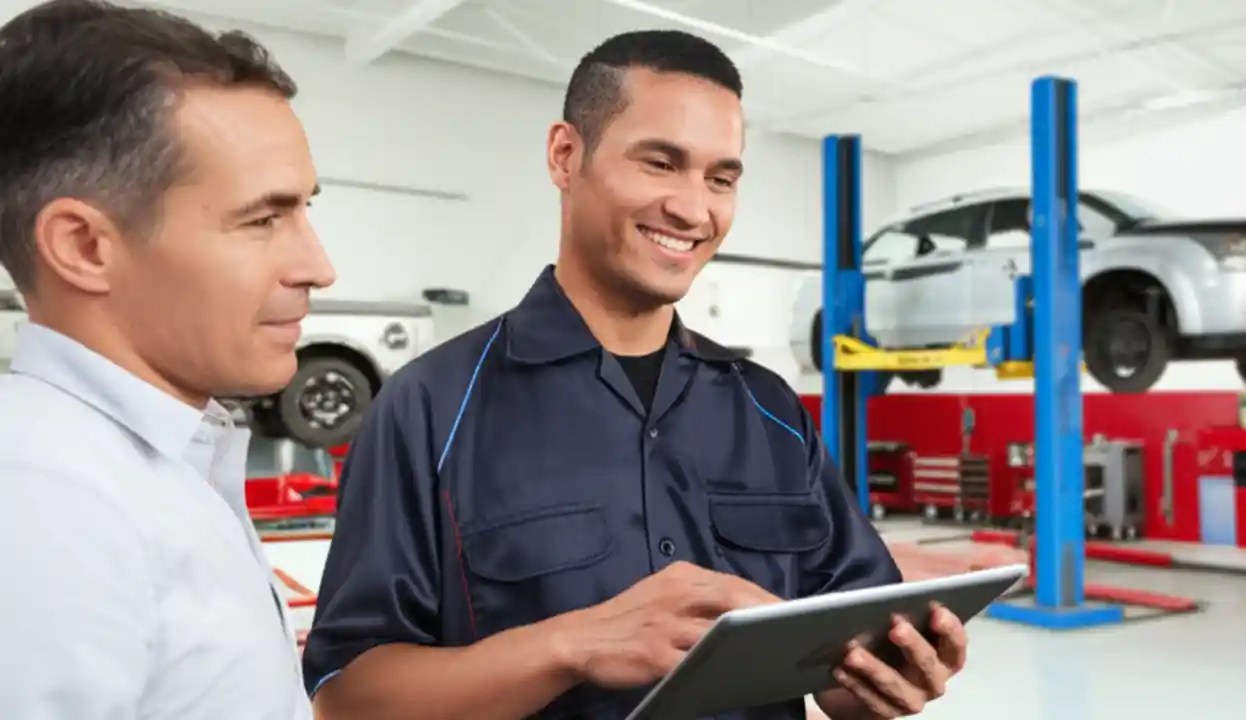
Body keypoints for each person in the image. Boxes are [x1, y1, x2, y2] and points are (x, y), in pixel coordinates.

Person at [303, 30, 967, 720]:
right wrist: (571, 645)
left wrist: (887, 676)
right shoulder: (429, 408)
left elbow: (840, 666)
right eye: (660, 163)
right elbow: (349, 700)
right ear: (566, 155)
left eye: (720, 178)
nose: (693, 208)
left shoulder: (770, 411)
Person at [0, 1, 334, 718]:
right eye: (262, 219)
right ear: (86, 247)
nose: (318, 265)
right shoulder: (44, 502)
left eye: (306, 210)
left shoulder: (156, 465)